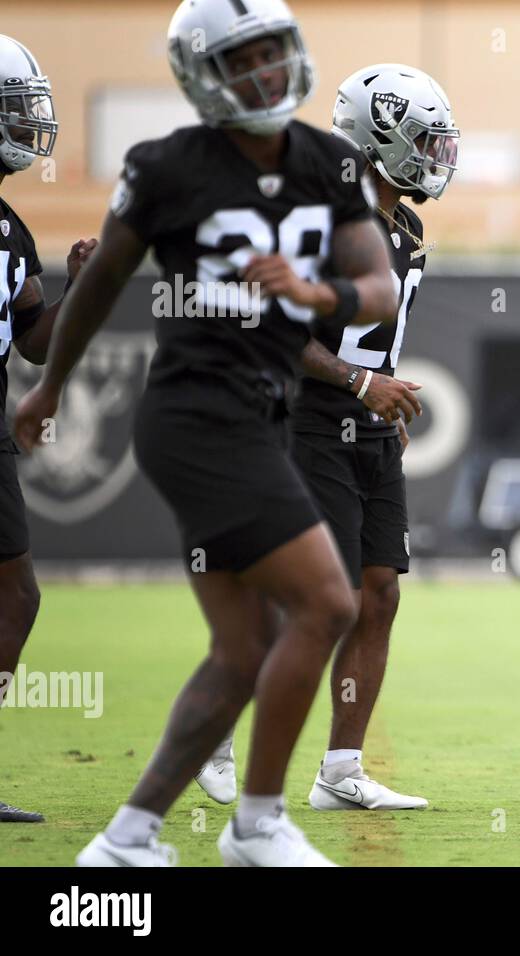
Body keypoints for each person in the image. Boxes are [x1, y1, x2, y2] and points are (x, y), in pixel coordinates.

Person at [13, 0, 398, 865]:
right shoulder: (167, 166)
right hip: (194, 413)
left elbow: (377, 284)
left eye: (272, 53)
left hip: (260, 415)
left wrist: (317, 298)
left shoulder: (331, 162)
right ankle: (258, 824)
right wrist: (50, 384)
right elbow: (106, 278)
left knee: (243, 649)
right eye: (241, 59)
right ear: (201, 76)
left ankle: (126, 839)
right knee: (330, 602)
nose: (264, 72)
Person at [193, 63, 455, 812]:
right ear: (378, 139)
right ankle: (214, 730)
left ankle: (340, 771)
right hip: (310, 418)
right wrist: (361, 385)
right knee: (313, 597)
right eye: (423, 142)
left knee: (379, 594)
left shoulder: (406, 224)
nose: (437, 158)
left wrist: (380, 395)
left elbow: (375, 334)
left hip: (366, 427)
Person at [0, 32, 96, 825]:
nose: (28, 125)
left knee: (18, 596)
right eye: (12, 110)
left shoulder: (8, 228)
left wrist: (83, 287)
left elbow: (34, 342)